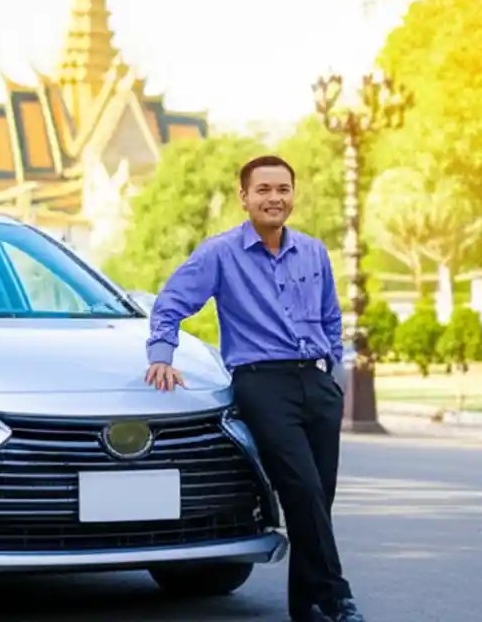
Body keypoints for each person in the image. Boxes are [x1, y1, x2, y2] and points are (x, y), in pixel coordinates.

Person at [143, 154, 364, 622]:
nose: (274, 198)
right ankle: (337, 594)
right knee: (301, 489)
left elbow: (331, 317)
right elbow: (169, 304)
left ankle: (306, 607)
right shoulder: (219, 253)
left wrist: (335, 373)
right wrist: (162, 357)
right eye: (263, 190)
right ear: (244, 197)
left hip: (316, 382)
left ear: (292, 195)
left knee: (318, 496)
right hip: (262, 383)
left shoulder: (314, 252)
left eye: (282, 189)